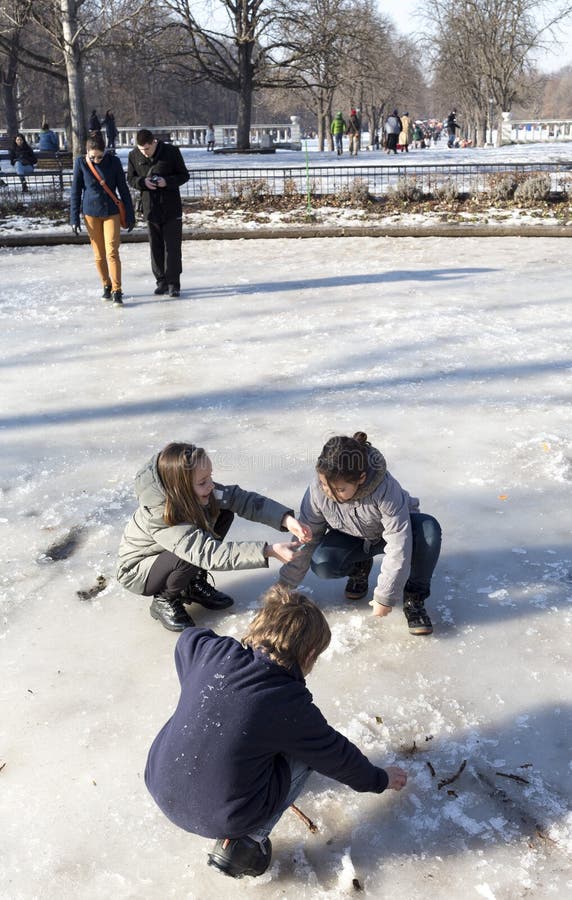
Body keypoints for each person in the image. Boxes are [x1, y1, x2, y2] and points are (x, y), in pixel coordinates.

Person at [144, 584, 408, 878]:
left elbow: (189, 638)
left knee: (255, 731)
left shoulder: (212, 652)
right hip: (223, 817)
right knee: (306, 753)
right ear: (308, 655)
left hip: (160, 784)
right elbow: (336, 756)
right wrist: (380, 779)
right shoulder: (289, 703)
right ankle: (244, 844)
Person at [116, 442, 313, 631]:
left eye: (210, 477)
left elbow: (240, 499)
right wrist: (268, 551)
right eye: (203, 482)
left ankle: (192, 584)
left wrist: (286, 519)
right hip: (138, 570)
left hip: (174, 552)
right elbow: (207, 553)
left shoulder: (199, 491)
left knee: (223, 511)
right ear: (180, 489)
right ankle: (165, 599)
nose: (211, 486)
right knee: (189, 553)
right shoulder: (161, 515)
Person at [279, 432, 442, 636]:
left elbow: (399, 543)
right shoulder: (317, 491)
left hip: (396, 534)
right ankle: (359, 568)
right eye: (324, 485)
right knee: (322, 561)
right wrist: (284, 586)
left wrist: (384, 596)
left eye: (340, 489)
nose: (329, 493)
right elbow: (306, 539)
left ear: (361, 478)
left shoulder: (385, 490)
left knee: (429, 530)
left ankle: (414, 598)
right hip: (352, 536)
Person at [70, 132, 135, 307]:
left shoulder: (113, 162)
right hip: (90, 213)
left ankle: (117, 289)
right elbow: (76, 191)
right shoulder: (81, 163)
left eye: (100, 156)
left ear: (105, 151)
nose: (97, 160)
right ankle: (106, 284)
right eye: (94, 157)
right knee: (99, 255)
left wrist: (130, 214)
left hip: (111, 212)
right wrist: (73, 217)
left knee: (112, 252)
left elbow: (123, 189)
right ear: (87, 152)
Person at [127, 128, 190, 298]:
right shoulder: (134, 155)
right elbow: (130, 179)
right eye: (141, 150)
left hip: (171, 207)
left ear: (154, 142)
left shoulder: (171, 152)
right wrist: (143, 182)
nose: (145, 153)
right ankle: (161, 281)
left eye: (147, 149)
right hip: (150, 208)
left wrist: (166, 182)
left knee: (173, 248)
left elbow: (184, 175)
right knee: (156, 247)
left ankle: (173, 283)